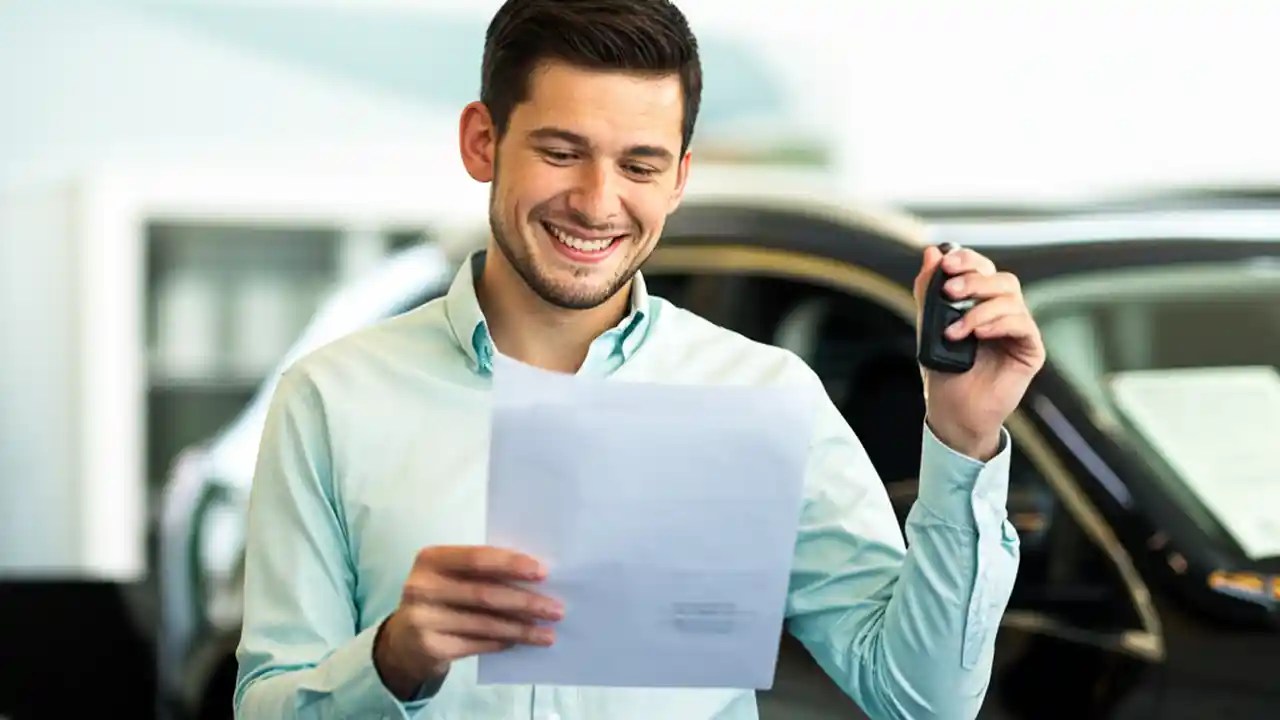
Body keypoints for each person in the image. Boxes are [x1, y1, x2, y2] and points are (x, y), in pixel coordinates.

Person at [232, 0, 1045, 718]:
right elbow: (265, 703)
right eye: (560, 151)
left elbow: (922, 700)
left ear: (681, 177)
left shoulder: (763, 400)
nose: (596, 200)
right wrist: (393, 661)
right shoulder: (332, 400)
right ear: (483, 142)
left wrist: (965, 442)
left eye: (640, 165)